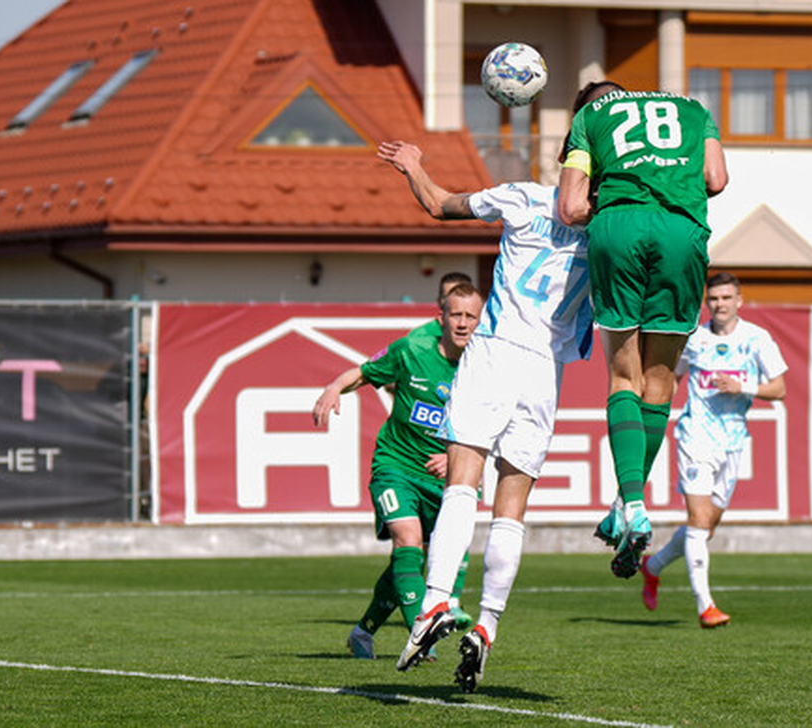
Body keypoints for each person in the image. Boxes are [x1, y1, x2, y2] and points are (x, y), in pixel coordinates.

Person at [376, 140, 591, 691]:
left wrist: (414, 167)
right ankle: (488, 626)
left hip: (496, 352)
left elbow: (441, 205)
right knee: (511, 509)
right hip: (547, 371)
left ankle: (435, 603)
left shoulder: (523, 197)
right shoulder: (611, 229)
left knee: (462, 484)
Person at [557, 80, 728, 578]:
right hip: (681, 231)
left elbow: (570, 208)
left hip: (620, 229)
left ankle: (630, 501)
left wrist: (614, 198)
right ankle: (627, 502)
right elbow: (715, 179)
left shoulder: (589, 120)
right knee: (659, 380)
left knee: (623, 378)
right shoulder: (694, 110)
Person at [312, 283, 483, 660]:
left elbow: (500, 426)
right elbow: (366, 371)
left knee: (417, 560)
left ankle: (363, 632)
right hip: (397, 465)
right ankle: (424, 636)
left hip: (449, 478)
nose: (463, 323)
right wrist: (334, 387)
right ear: (441, 318)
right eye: (456, 315)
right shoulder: (412, 350)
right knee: (408, 540)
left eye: (471, 316)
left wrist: (460, 458)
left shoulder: (486, 367)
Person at [639, 272, 786, 629]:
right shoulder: (695, 339)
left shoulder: (757, 339)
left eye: (726, 298)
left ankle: (654, 566)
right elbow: (674, 376)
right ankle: (706, 606)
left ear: (739, 300)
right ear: (708, 303)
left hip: (734, 440)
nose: (719, 305)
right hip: (695, 438)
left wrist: (742, 386)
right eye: (714, 299)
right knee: (700, 520)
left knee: (708, 526)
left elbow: (779, 388)